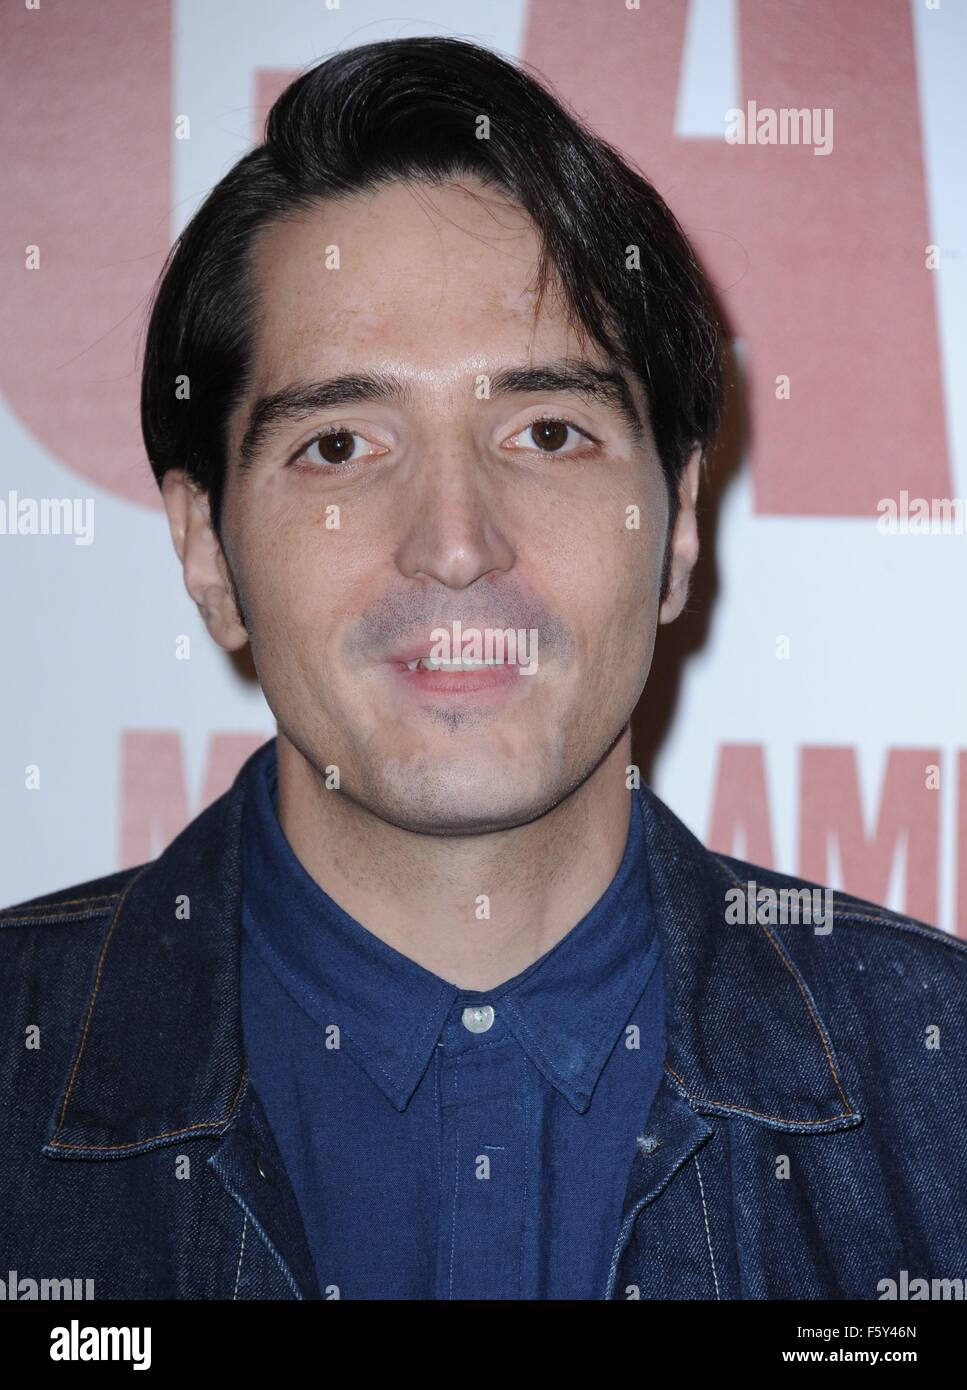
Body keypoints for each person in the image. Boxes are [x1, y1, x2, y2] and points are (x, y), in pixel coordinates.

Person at [1, 36, 964, 1303]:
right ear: (207, 549)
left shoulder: (937, 1085)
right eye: (341, 444)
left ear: (675, 527)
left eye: (547, 432)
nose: (455, 545)